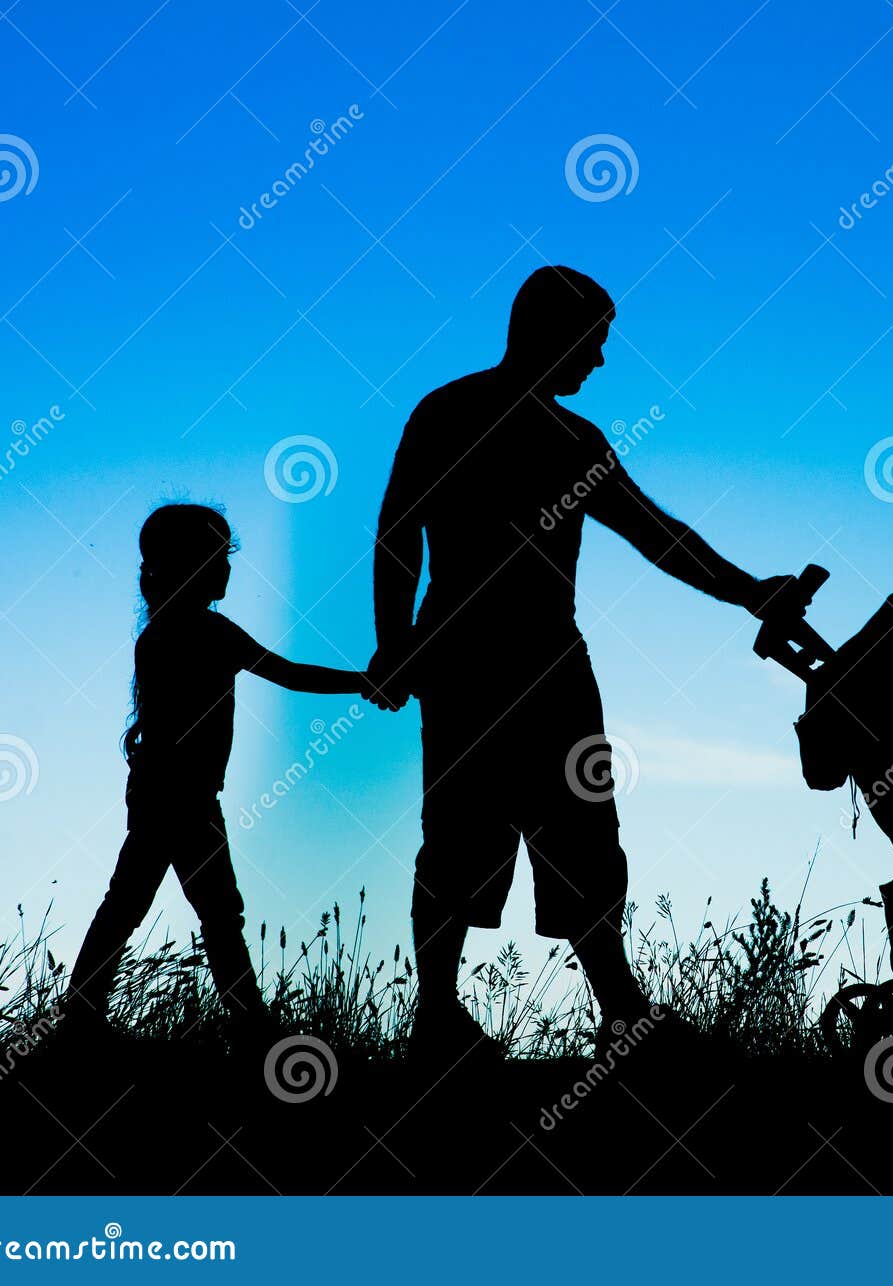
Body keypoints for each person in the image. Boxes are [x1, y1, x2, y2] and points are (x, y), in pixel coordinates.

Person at [365, 265, 794, 1060]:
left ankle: (606, 1010)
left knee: (566, 834)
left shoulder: (523, 429)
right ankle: (449, 1018)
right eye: (593, 343)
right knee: (489, 834)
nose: (599, 361)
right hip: (492, 665)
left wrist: (747, 591)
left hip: (523, 664)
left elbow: (652, 534)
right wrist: (393, 644)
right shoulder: (466, 417)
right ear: (553, 334)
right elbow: (400, 530)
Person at [64, 504, 370, 1039]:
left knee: (143, 902)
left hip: (165, 791)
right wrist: (366, 683)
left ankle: (84, 1013)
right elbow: (289, 675)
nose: (228, 569)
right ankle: (248, 1026)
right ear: (194, 563)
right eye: (219, 557)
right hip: (184, 796)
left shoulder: (163, 633)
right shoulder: (206, 633)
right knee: (213, 912)